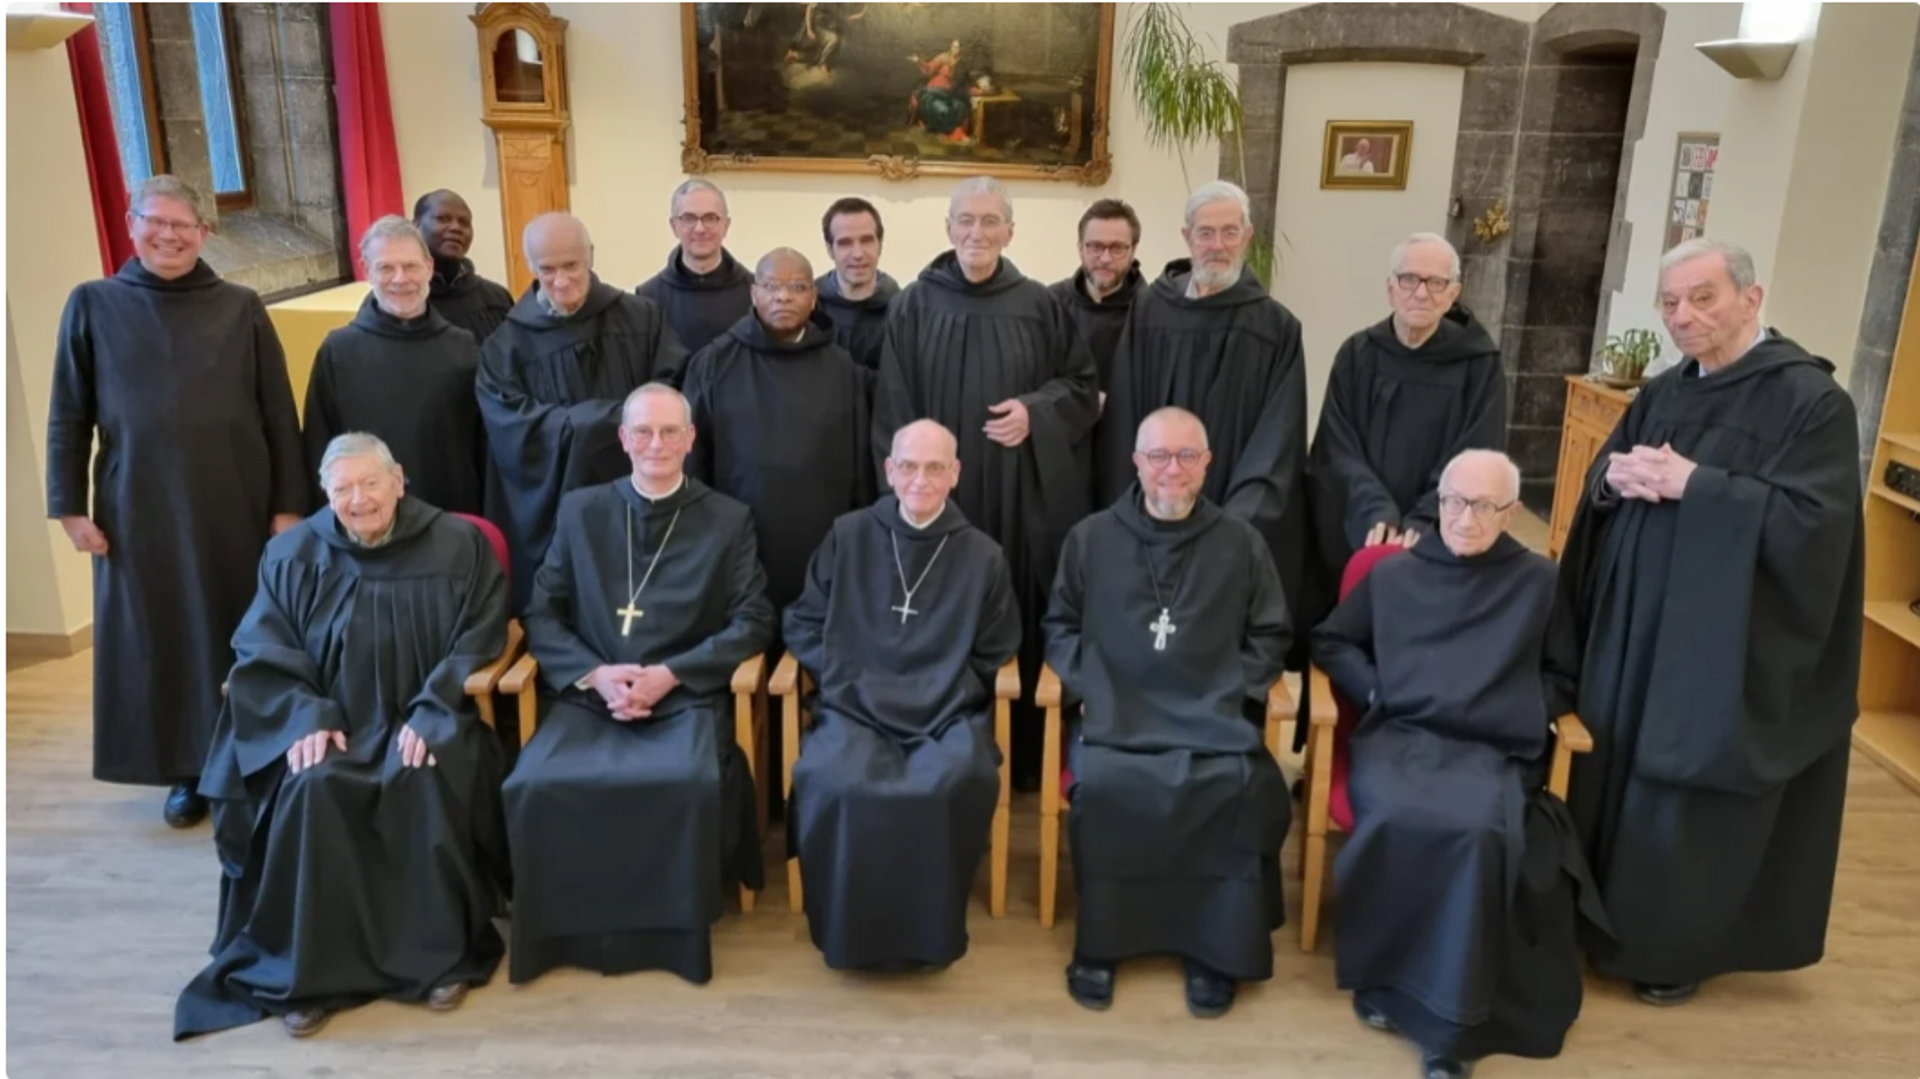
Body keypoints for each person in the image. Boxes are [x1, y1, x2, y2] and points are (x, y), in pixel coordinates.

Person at [1548, 237, 1864, 1007]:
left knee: (1682, 780)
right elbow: (1608, 478)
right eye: (1670, 303)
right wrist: (1611, 481)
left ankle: (1669, 945)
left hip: (1720, 642)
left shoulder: (1810, 403)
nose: (1683, 317)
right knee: (1613, 756)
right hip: (1632, 629)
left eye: (1703, 298)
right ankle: (1587, 913)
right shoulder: (1666, 390)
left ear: (1751, 300)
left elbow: (1816, 528)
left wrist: (1701, 485)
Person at [175, 434, 509, 1041]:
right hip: (331, 728)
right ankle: (307, 977)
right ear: (326, 495)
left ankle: (436, 961)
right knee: (311, 787)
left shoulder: (458, 547)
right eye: (342, 490)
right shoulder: (293, 555)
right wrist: (303, 715)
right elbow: (262, 647)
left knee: (420, 776)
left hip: (424, 720)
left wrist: (437, 705)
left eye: (370, 484)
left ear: (398, 481)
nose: (358, 501)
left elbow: (481, 634)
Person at [1313, 450, 1607, 1079]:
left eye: (1483, 506)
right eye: (1453, 502)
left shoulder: (1539, 583)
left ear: (1509, 512)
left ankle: (1452, 1023)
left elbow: (1563, 677)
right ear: (1437, 501)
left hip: (1487, 747)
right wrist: (1374, 690)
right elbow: (1331, 640)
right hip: (1401, 740)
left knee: (1480, 834)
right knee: (1396, 814)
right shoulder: (1393, 576)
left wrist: (1508, 704)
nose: (1464, 519)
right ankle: (1384, 980)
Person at [46, 175, 306, 828]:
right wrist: (70, 508)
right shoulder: (92, 304)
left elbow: (279, 413)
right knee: (161, 636)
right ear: (131, 223)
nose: (168, 234)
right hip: (137, 506)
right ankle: (186, 770)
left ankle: (253, 756)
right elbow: (68, 416)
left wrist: (286, 507)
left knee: (241, 628)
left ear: (203, 234)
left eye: (182, 224)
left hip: (235, 501)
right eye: (154, 221)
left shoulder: (241, 306)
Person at [503, 383, 775, 986]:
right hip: (589, 696)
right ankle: (559, 939)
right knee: (536, 781)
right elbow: (541, 612)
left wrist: (671, 674)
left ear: (690, 439)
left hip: (683, 698)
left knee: (684, 780)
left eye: (669, 432)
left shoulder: (727, 520)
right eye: (643, 432)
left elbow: (755, 618)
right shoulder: (582, 510)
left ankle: (671, 941)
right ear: (623, 439)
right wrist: (596, 674)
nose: (656, 444)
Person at [1044, 407, 1291, 1019]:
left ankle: (1215, 951)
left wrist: (1227, 690)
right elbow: (1060, 628)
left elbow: (1270, 634)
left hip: (1211, 716)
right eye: (1158, 456)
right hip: (1117, 716)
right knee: (1105, 785)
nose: (1171, 470)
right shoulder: (1092, 537)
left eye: (1186, 456)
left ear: (1207, 463)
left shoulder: (1241, 541)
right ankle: (1102, 946)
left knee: (1233, 784)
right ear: (1136, 461)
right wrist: (1097, 687)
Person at [874, 175, 1098, 791]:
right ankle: (932, 734)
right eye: (966, 220)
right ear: (948, 229)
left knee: (1012, 610)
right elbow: (891, 409)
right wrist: (906, 495)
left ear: (1009, 231)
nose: (977, 232)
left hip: (1014, 498)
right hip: (934, 504)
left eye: (990, 221)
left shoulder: (1039, 304)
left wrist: (1037, 411)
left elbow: (1081, 387)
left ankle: (1021, 752)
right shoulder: (914, 305)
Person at [783, 419, 1020, 971]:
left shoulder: (982, 555)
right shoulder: (848, 535)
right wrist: (849, 676)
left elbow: (995, 646)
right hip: (854, 707)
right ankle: (848, 937)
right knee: (834, 780)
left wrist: (941, 686)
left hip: (945, 712)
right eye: (908, 466)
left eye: (935, 467)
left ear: (955, 474)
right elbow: (803, 622)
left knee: (950, 781)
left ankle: (928, 939)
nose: (920, 479)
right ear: (889, 471)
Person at [1095, 180, 1310, 673]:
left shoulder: (1276, 328)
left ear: (1248, 235)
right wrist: (1136, 507)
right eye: (1206, 232)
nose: (1217, 244)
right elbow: (1126, 412)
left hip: (1230, 528)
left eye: (1229, 232)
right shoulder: (1150, 311)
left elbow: (1278, 440)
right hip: (1148, 518)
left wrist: (1229, 528)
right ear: (1186, 236)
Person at [477, 212, 686, 611]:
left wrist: (611, 425)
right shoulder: (507, 344)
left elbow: (672, 389)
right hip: (553, 503)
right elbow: (509, 427)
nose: (561, 280)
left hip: (640, 491)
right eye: (548, 269)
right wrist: (596, 422)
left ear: (590, 256)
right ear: (531, 267)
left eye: (571, 265)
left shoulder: (642, 318)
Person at [684, 247, 874, 616]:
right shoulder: (714, 363)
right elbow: (692, 460)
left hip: (823, 537)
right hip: (739, 537)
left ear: (814, 297)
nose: (783, 296)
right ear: (754, 294)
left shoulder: (842, 369)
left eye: (797, 286)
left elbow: (861, 466)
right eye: (771, 286)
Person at [1308, 232, 1506, 582]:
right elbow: (1337, 445)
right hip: (1361, 522)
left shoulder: (1479, 365)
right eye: (1409, 279)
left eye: (1436, 282)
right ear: (1390, 288)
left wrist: (1428, 514)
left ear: (1452, 295)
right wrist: (1375, 508)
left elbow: (1477, 450)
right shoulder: (1357, 355)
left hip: (1441, 525)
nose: (1421, 292)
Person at [303, 216, 486, 515]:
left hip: (450, 518)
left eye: (410, 266)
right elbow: (318, 448)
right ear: (367, 270)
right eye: (386, 268)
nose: (400, 279)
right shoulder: (338, 352)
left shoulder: (462, 347)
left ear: (428, 267)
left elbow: (483, 448)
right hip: (366, 520)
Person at [637, 178, 754, 355]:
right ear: (674, 226)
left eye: (710, 218)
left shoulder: (754, 293)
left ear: (725, 225)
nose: (700, 229)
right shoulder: (648, 297)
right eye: (688, 218)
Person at [1048, 198, 1146, 398]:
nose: (1105, 258)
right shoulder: (1050, 303)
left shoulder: (1153, 309)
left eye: (1117, 248)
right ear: (1080, 248)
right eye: (1095, 246)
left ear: (1133, 250)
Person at [413, 189, 515, 344]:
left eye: (464, 222)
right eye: (442, 218)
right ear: (416, 226)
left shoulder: (497, 299)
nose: (456, 228)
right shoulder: (395, 300)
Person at [814, 196, 899, 371]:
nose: (858, 254)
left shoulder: (902, 310)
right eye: (845, 243)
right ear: (830, 250)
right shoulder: (810, 308)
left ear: (880, 245)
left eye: (866, 241)